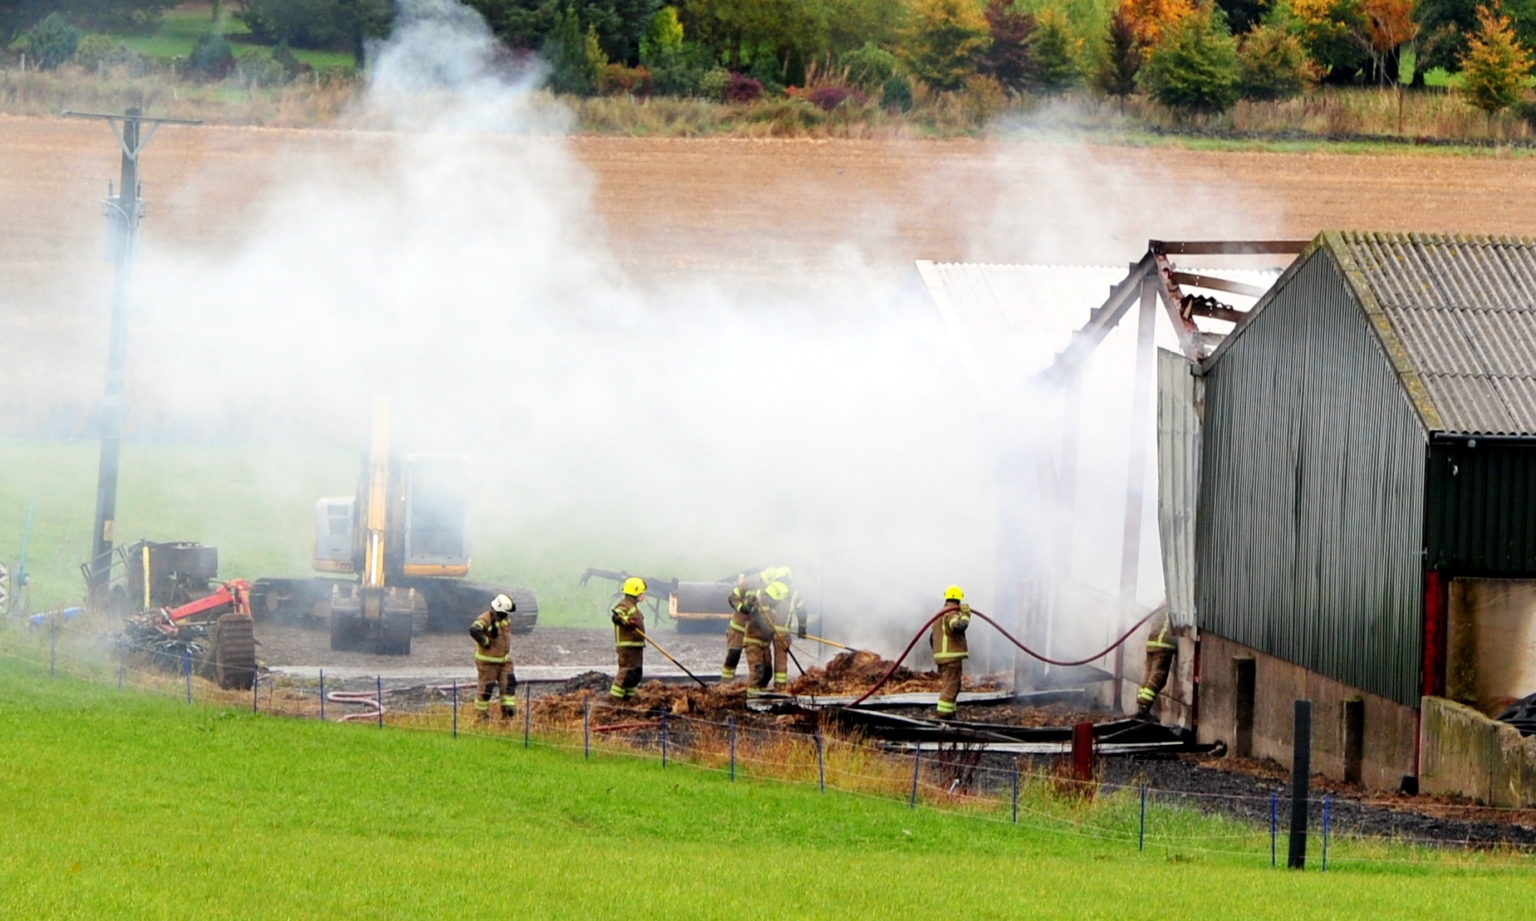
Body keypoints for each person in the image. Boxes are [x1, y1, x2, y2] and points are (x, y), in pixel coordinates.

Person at [469, 593, 518, 720]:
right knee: (486, 690)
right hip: (488, 664)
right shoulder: (486, 618)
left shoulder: (504, 620)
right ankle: (481, 717)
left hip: (504, 662)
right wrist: (485, 641)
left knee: (509, 686)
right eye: (504, 613)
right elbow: (474, 630)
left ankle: (508, 714)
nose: (506, 615)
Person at [930, 585, 971, 720]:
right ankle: (944, 714)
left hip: (943, 657)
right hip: (951, 657)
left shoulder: (939, 615)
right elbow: (957, 627)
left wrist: (938, 654)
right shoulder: (952, 613)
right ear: (959, 600)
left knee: (951, 685)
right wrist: (965, 615)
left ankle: (950, 713)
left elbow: (932, 638)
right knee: (951, 686)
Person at [721, 568, 769, 681]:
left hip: (754, 632)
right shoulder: (747, 585)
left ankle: (755, 683)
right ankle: (726, 682)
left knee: (757, 660)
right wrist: (742, 607)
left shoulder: (770, 592)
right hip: (738, 628)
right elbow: (733, 598)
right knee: (733, 655)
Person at [610, 576, 647, 702]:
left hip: (636, 646)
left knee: (635, 674)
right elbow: (616, 616)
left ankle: (630, 700)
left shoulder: (634, 607)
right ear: (635, 592)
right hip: (627, 648)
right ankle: (614, 700)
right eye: (642, 593)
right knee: (626, 673)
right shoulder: (624, 605)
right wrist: (626, 622)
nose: (644, 595)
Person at [1135, 605, 1175, 721]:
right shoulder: (1175, 601)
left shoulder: (1163, 603)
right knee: (1158, 676)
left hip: (1152, 643)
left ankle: (1141, 707)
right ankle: (1144, 709)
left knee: (1149, 675)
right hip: (1163, 644)